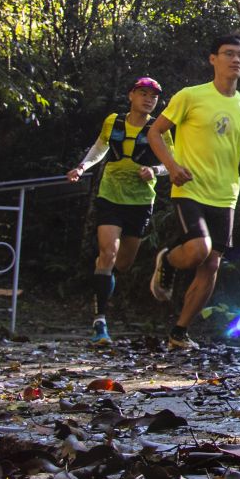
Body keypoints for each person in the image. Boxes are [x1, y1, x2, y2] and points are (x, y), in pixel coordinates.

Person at [146, 35, 240, 349]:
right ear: (213, 59)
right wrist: (172, 167)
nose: (236, 60)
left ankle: (179, 333)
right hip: (189, 189)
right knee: (199, 250)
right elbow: (155, 133)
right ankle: (168, 260)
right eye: (229, 54)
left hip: (225, 196)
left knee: (211, 265)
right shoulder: (191, 96)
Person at [66, 77, 169, 346]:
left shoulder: (160, 127)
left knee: (122, 263)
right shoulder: (113, 121)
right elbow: (100, 147)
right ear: (131, 96)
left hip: (140, 200)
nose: (148, 99)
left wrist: (155, 170)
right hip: (110, 194)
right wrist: (82, 167)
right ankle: (100, 322)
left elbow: (173, 162)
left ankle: (105, 283)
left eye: (153, 96)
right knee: (107, 253)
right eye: (143, 94)